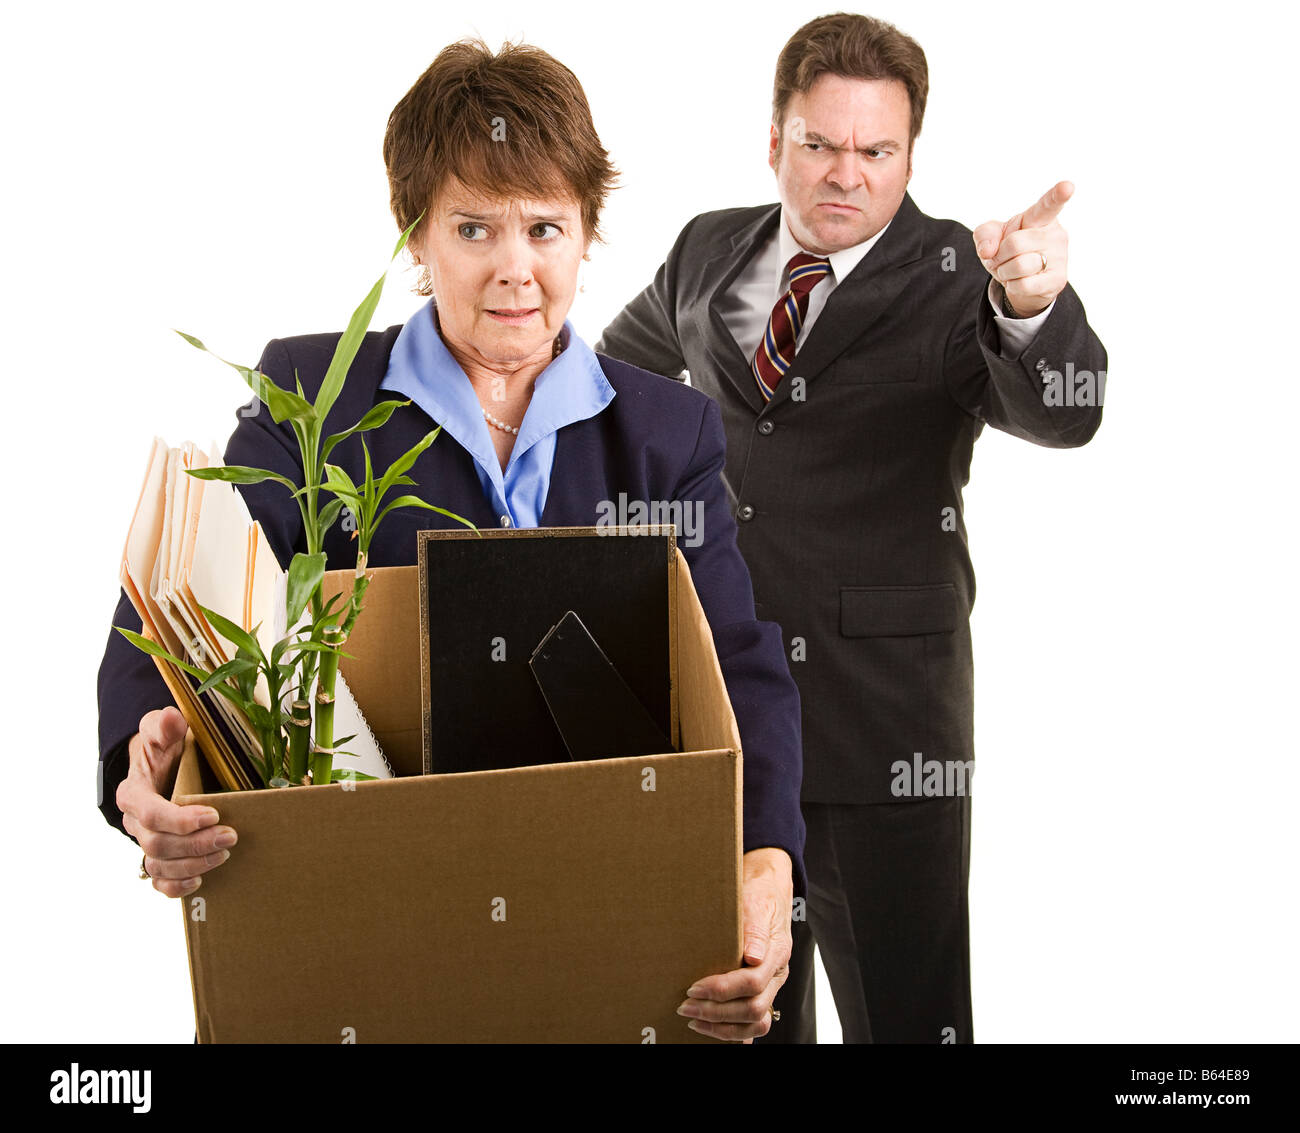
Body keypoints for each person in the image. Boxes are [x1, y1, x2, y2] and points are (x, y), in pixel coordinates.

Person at [95, 38, 805, 1044]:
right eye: (475, 227)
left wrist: (765, 859)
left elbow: (738, 661)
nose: (516, 269)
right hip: (367, 927)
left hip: (599, 919)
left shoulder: (665, 432)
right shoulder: (312, 397)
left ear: (587, 234)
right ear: (414, 234)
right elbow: (181, 598)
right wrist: (143, 761)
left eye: (545, 228)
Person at [596, 12, 1107, 1043]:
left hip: (884, 732)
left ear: (910, 155)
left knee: (905, 1021)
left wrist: (1031, 305)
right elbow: (616, 385)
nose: (845, 174)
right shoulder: (706, 247)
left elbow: (1068, 410)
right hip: (723, 723)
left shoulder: (965, 275)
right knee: (739, 1016)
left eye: (876, 151)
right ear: (774, 139)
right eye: (819, 144)